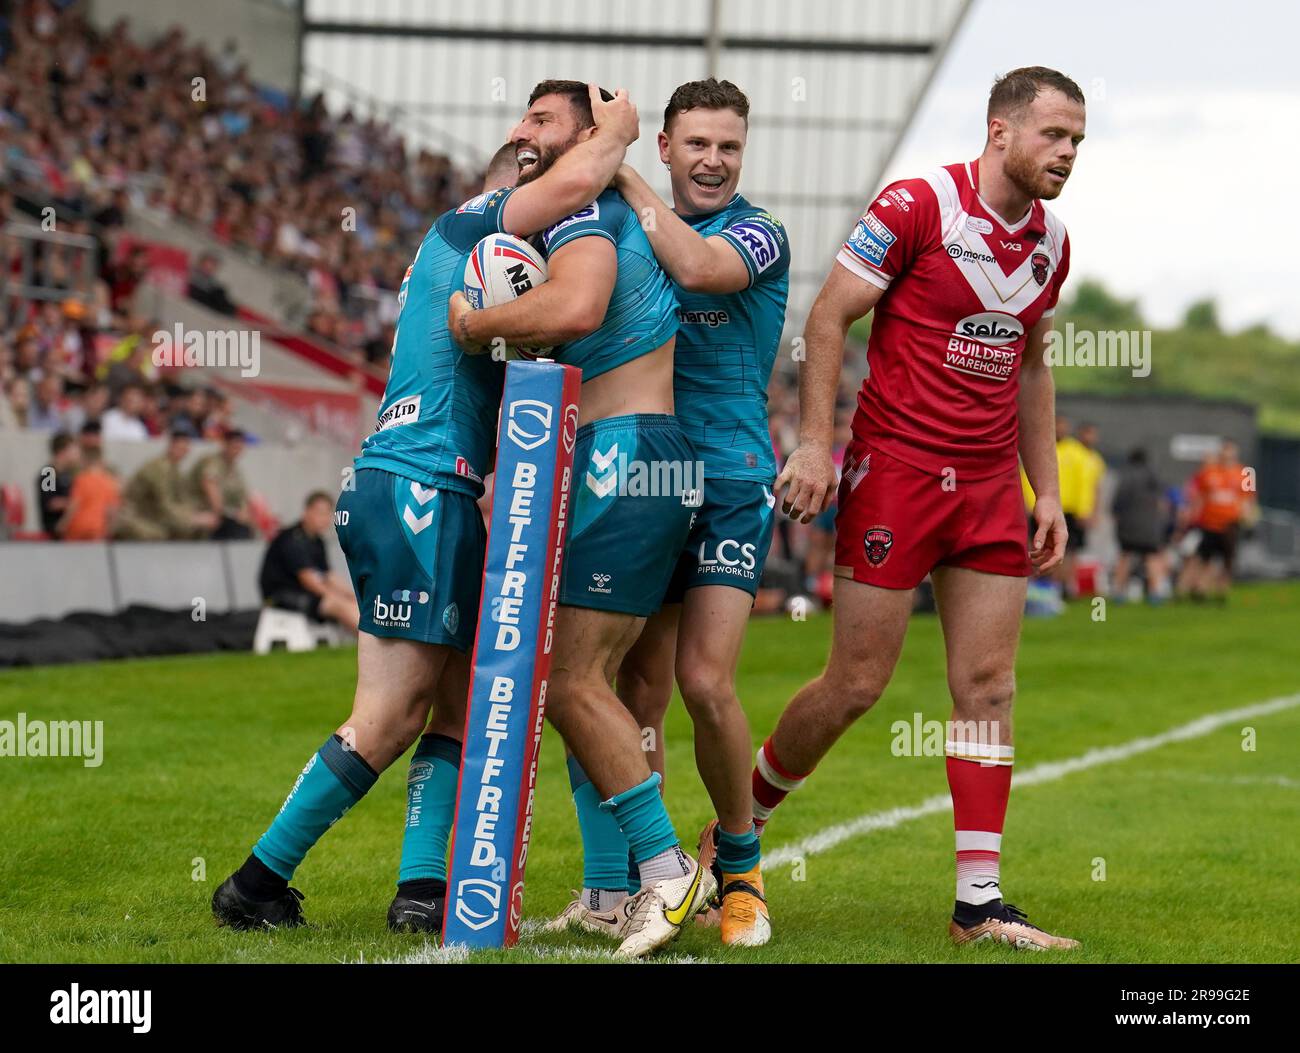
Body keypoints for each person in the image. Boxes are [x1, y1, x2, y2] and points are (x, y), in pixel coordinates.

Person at [210, 84, 643, 938]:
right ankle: (255, 882)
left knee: (453, 702)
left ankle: (419, 890)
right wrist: (619, 133)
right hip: (417, 483)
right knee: (391, 714)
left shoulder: (477, 252)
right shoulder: (475, 220)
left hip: (420, 484)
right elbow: (574, 181)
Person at [759, 66, 1085, 951]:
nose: (1067, 155)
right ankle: (738, 833)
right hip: (896, 474)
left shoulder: (1053, 243)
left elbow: (1030, 365)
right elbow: (828, 318)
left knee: (988, 686)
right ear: (1001, 131)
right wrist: (817, 443)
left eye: (1078, 143)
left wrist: (1045, 487)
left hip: (987, 491)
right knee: (857, 684)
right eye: (1054, 136)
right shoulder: (918, 205)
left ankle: (979, 900)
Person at [448, 79, 715, 958]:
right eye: (521, 116)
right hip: (632, 455)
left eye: (543, 120)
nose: (523, 132)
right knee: (608, 685)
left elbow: (576, 308)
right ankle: (608, 890)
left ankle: (666, 868)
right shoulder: (577, 208)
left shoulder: (583, 207)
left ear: (591, 137)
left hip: (626, 454)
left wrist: (476, 324)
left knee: (566, 679)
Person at [542, 77, 790, 947]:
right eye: (697, 144)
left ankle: (741, 868)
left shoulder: (758, 231)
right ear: (669, 147)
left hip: (728, 482)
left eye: (728, 146)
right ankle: (625, 884)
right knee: (626, 688)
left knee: (704, 682)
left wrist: (618, 168)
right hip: (648, 478)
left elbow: (701, 268)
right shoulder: (629, 235)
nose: (714, 161)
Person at [258, 491, 359, 628]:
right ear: (307, 512)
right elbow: (308, 580)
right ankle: (367, 641)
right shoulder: (291, 539)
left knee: (352, 602)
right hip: (281, 596)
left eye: (328, 513)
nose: (324, 518)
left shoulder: (318, 541)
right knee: (338, 604)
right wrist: (337, 597)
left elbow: (328, 575)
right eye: (320, 513)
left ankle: (370, 643)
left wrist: (353, 595)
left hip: (305, 593)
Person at [1177, 440, 1253, 602]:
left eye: (1230, 452)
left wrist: (1247, 518)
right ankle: (1200, 589)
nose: (1227, 456)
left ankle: (1221, 592)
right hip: (1209, 523)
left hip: (1230, 524)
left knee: (1227, 561)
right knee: (1204, 558)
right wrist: (1191, 516)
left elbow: (1248, 499)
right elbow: (1198, 497)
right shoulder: (1209, 472)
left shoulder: (1245, 473)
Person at [113, 431, 217, 540]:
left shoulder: (174, 470)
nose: (183, 452)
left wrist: (198, 515)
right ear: (171, 446)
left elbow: (182, 501)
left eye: (185, 449)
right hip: (136, 518)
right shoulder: (158, 468)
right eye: (180, 448)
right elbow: (164, 505)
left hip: (154, 518)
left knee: (198, 529)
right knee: (163, 533)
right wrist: (192, 519)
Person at [1110, 448, 1169, 601]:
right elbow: (1163, 501)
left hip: (1129, 524)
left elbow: (1118, 501)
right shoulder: (1154, 476)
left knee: (1125, 556)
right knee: (1152, 557)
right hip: (1150, 525)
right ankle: (1155, 593)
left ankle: (1118, 592)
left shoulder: (1127, 476)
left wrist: (1116, 515)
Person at [1056, 420, 1105, 597]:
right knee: (1058, 548)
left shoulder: (1093, 459)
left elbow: (1093, 488)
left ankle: (1066, 586)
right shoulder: (1073, 453)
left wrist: (1091, 512)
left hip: (1076, 510)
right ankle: (1058, 586)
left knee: (1072, 550)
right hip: (1064, 507)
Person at [190, 428, 253, 539]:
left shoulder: (234, 468)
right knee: (236, 529)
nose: (237, 451)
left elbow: (243, 496)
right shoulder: (212, 462)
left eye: (240, 447)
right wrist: (233, 515)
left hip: (228, 514)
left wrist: (244, 512)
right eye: (234, 447)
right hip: (205, 512)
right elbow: (211, 490)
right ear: (225, 445)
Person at [60, 446, 121, 541]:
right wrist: (109, 530)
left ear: (85, 461)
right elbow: (112, 510)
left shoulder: (81, 479)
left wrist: (63, 524)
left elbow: (74, 505)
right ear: (101, 461)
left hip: (77, 528)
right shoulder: (110, 482)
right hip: (98, 528)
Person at [36, 432, 81, 537]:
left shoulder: (68, 474)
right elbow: (51, 503)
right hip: (55, 528)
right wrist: (73, 504)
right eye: (74, 450)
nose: (77, 454)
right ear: (62, 451)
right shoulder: (48, 473)